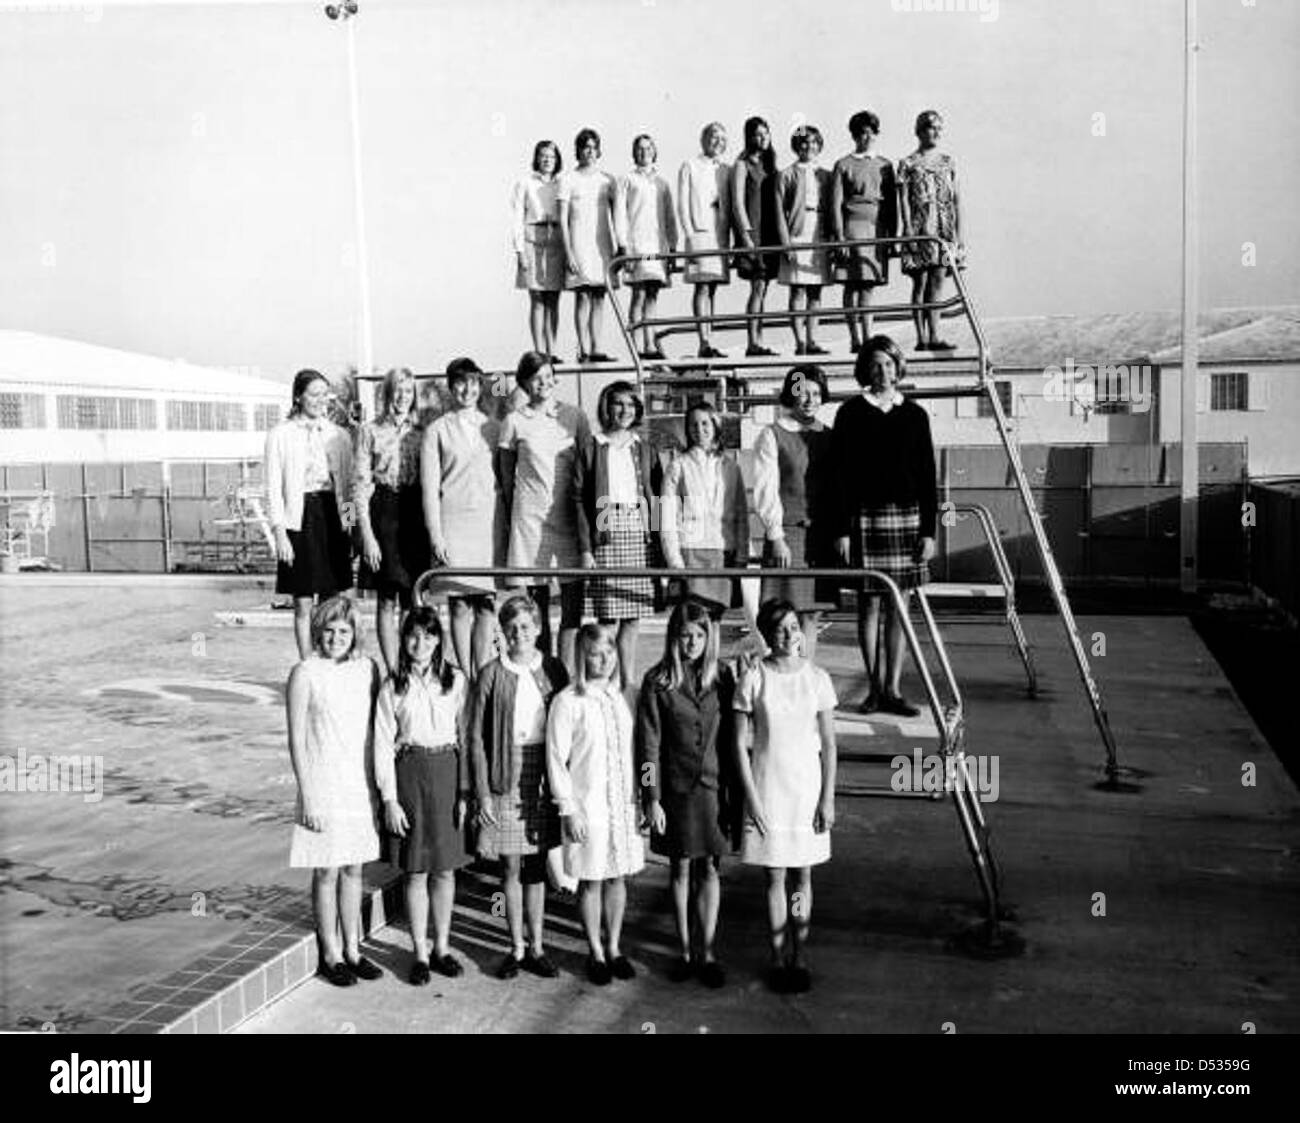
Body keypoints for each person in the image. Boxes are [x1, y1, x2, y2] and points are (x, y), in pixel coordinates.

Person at [732, 598, 838, 994]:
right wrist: (752, 799)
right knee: (775, 877)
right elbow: (738, 745)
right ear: (767, 634)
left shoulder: (818, 679)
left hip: (805, 793)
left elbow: (828, 744)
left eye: (794, 627)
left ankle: (799, 953)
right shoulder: (754, 677)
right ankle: (777, 957)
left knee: (802, 875)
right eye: (780, 629)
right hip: (768, 791)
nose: (790, 635)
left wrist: (827, 798)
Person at [831, 335, 938, 716]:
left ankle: (893, 690)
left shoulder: (915, 415)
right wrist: (843, 529)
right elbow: (840, 475)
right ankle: (874, 690)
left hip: (906, 519)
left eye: (890, 364)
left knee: (900, 607)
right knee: (869, 606)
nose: (884, 372)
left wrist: (929, 531)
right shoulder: (850, 413)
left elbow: (928, 476)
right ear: (865, 369)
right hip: (864, 519)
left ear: (898, 368)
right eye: (876, 365)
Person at [466, 594, 568, 980]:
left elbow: (568, 723)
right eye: (511, 628)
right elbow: (475, 736)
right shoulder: (492, 673)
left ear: (539, 628)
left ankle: (538, 946)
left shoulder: (555, 669)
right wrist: (482, 791)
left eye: (525, 626)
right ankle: (516, 946)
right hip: (503, 773)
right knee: (508, 866)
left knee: (537, 866)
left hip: (544, 772)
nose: (518, 634)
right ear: (502, 633)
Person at [637, 601, 736, 987]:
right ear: (673, 637)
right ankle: (682, 949)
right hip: (675, 791)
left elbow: (734, 738)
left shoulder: (722, 678)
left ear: (709, 637)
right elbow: (648, 746)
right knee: (679, 869)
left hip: (712, 789)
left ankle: (707, 950)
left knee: (710, 868)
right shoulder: (657, 680)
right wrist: (651, 796)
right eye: (685, 635)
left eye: (699, 635)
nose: (692, 643)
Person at [285, 594, 383, 987]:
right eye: (328, 630)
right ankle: (330, 953)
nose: (336, 637)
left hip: (358, 781)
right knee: (326, 869)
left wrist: (378, 787)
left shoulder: (366, 670)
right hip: (322, 781)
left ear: (355, 633)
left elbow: (376, 731)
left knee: (354, 867)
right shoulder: (304, 672)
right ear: (317, 631)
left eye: (344, 630)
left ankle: (354, 948)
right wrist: (307, 793)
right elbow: (295, 739)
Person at [375, 607, 470, 984]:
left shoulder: (456, 681)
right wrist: (389, 798)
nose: (421, 643)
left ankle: (442, 947)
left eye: (429, 636)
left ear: (438, 640)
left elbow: (466, 736)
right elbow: (383, 744)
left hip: (447, 771)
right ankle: (419, 952)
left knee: (444, 869)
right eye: (414, 635)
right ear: (404, 639)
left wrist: (465, 792)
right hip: (410, 775)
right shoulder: (392, 685)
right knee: (415, 871)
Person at [547, 624, 644, 985]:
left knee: (618, 876)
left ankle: (615, 945)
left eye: (609, 652)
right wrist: (568, 807)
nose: (603, 660)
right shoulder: (568, 700)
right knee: (591, 880)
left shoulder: (625, 696)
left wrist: (647, 796)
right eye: (595, 653)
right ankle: (596, 950)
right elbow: (556, 758)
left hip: (623, 802)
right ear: (582, 657)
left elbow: (643, 755)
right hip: (588, 804)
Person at [497, 350, 591, 672]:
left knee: (572, 607)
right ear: (524, 382)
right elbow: (507, 478)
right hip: (531, 519)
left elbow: (588, 469)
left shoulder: (575, 416)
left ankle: (565, 674)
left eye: (549, 376)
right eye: (536, 378)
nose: (544, 383)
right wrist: (516, 516)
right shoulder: (513, 421)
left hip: (568, 516)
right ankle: (542, 672)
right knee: (537, 609)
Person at [574, 381, 660, 689]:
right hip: (607, 533)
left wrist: (660, 544)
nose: (624, 410)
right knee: (607, 617)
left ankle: (627, 682)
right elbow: (580, 501)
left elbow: (658, 497)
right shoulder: (592, 446)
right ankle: (604, 681)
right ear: (606, 407)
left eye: (630, 404)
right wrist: (586, 549)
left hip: (639, 534)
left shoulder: (644, 448)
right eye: (617, 403)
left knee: (633, 616)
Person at [266, 370, 355, 659]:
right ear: (298, 396)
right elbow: (273, 488)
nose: (320, 400)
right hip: (299, 518)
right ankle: (307, 665)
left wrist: (350, 528)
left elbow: (348, 485)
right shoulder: (280, 434)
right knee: (303, 601)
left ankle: (333, 660)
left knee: (333, 600)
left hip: (332, 515)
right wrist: (281, 534)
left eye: (324, 394)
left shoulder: (339, 435)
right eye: (313, 394)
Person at [752, 365, 836, 662]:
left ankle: (805, 681)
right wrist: (776, 536)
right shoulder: (772, 434)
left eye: (816, 393)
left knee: (810, 617)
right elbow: (765, 490)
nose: (810, 399)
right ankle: (780, 679)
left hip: (820, 538)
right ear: (791, 394)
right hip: (787, 537)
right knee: (780, 617)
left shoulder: (828, 435)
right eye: (803, 392)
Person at [422, 358, 500, 676]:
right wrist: (436, 535)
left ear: (480, 385)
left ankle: (482, 673)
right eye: (460, 382)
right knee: (459, 603)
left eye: (472, 382)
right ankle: (466, 674)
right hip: (453, 522)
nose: (467, 389)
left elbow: (505, 482)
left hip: (489, 523)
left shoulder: (494, 427)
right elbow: (429, 489)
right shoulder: (437, 430)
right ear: (450, 386)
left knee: (486, 603)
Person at [354, 367, 428, 674]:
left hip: (414, 511)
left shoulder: (422, 432)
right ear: (387, 394)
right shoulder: (369, 431)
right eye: (397, 390)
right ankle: (393, 669)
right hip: (382, 509)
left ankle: (413, 663)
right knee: (386, 598)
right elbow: (358, 485)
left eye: (408, 391)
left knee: (413, 597)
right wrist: (367, 535)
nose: (402, 396)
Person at [659, 399, 750, 620]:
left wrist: (741, 555)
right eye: (693, 425)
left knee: (715, 620)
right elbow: (663, 517)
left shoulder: (731, 467)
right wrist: (674, 561)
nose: (700, 430)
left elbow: (741, 514)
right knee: (692, 621)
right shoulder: (677, 466)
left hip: (723, 551)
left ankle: (713, 657)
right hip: (691, 551)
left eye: (705, 423)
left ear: (715, 425)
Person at [828, 110, 897, 352]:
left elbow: (891, 204)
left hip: (876, 229)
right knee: (851, 284)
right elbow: (835, 204)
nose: (865, 137)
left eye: (869, 132)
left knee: (868, 285)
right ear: (853, 135)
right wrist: (839, 237)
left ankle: (868, 337)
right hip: (851, 228)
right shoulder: (843, 164)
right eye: (860, 133)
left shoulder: (885, 165)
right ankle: (854, 338)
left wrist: (891, 235)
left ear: (875, 134)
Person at [897, 109, 964, 352]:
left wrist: (959, 234)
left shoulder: (948, 162)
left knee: (938, 280)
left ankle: (935, 334)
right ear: (919, 131)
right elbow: (903, 199)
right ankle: (921, 337)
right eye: (928, 127)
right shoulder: (908, 163)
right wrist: (907, 231)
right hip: (919, 226)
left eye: (938, 127)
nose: (934, 132)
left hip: (944, 228)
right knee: (920, 282)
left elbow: (956, 199)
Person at [614, 133, 677, 361]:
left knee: (652, 295)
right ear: (634, 153)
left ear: (654, 151)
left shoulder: (662, 182)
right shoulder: (627, 179)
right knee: (638, 294)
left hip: (658, 245)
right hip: (637, 244)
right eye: (640, 149)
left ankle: (650, 344)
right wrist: (624, 246)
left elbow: (670, 217)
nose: (644, 152)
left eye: (648, 148)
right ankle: (636, 346)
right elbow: (620, 214)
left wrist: (673, 246)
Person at [558, 128, 618, 364]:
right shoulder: (568, 179)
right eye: (585, 147)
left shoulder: (607, 180)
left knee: (600, 296)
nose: (589, 152)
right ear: (578, 151)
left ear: (599, 150)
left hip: (602, 243)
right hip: (579, 242)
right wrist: (569, 252)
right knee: (583, 296)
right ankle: (583, 348)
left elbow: (619, 215)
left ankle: (597, 347)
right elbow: (563, 218)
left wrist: (618, 247)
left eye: (593, 147)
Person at [775, 125, 832, 356]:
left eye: (813, 142)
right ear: (796, 146)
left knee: (816, 291)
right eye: (803, 142)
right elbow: (779, 211)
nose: (808, 147)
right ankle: (799, 341)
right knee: (797, 289)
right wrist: (786, 242)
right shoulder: (786, 174)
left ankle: (813, 340)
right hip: (797, 231)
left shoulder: (825, 174)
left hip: (819, 230)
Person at [677, 122, 732, 359]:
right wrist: (690, 235)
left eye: (722, 137)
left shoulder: (726, 169)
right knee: (701, 286)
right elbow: (682, 203)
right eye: (713, 136)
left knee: (712, 288)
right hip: (699, 233)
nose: (717, 141)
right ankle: (703, 340)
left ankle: (710, 339)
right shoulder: (690, 165)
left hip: (719, 234)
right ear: (703, 140)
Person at [729, 115, 781, 357]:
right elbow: (738, 204)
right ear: (749, 137)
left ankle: (759, 339)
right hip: (754, 232)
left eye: (766, 134)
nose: (763, 139)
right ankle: (753, 341)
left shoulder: (770, 165)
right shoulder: (742, 165)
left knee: (764, 287)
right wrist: (747, 237)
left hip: (770, 232)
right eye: (758, 134)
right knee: (757, 287)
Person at [511, 139, 565, 362]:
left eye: (551, 157)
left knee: (553, 299)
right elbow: (516, 218)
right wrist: (519, 251)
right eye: (543, 156)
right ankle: (540, 351)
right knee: (537, 299)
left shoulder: (562, 183)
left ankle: (552, 351)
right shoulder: (525, 183)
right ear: (536, 158)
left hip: (555, 238)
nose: (547, 161)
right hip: (533, 238)